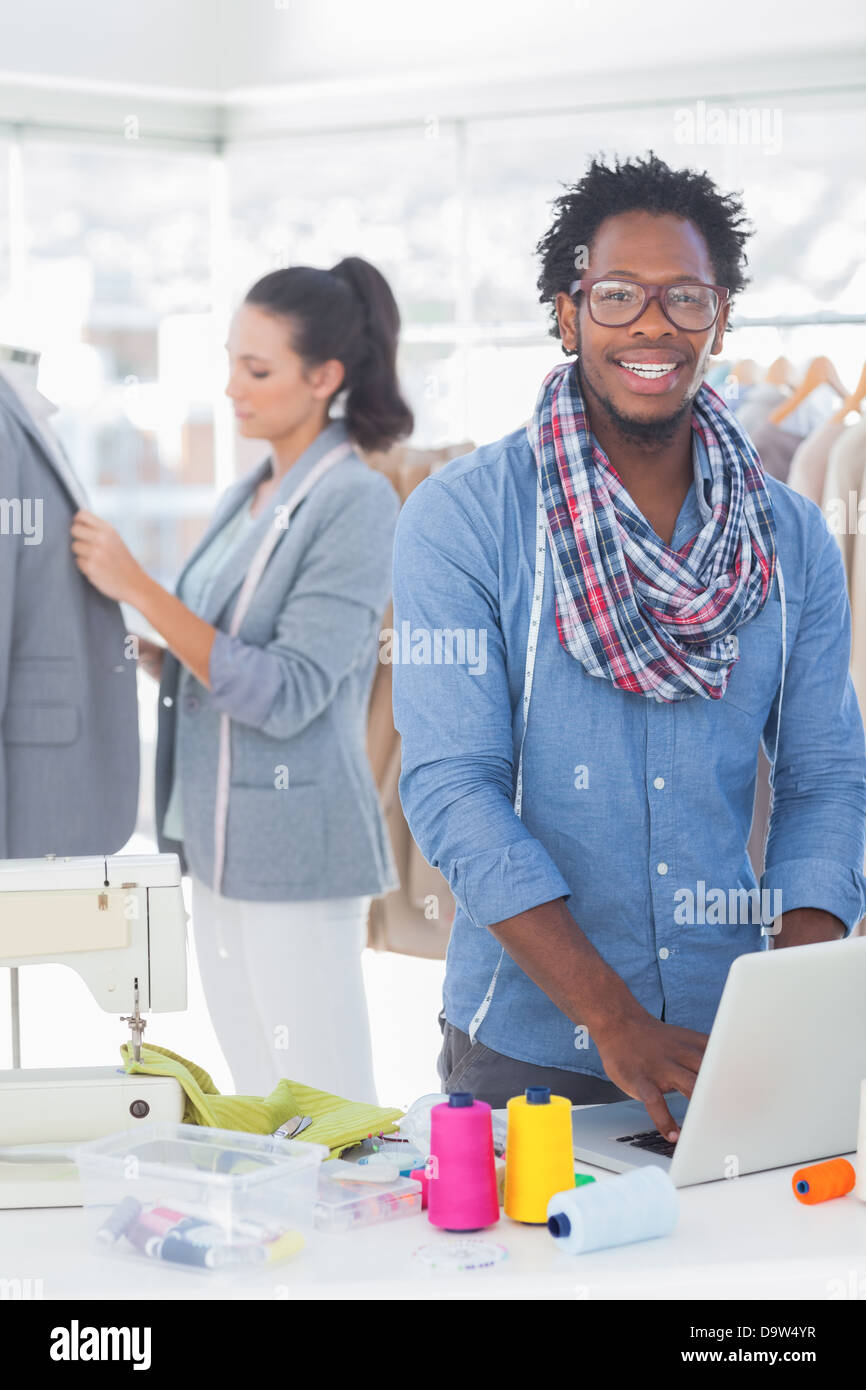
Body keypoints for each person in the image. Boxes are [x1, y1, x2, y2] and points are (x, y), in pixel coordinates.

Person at [392, 153, 866, 1132]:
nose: (651, 323)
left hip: (725, 1030)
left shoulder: (790, 538)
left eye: (681, 297)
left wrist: (792, 1001)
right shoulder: (464, 517)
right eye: (615, 295)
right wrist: (609, 1017)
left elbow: (823, 781)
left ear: (719, 319)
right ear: (566, 316)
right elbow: (450, 785)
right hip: (523, 1047)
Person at [71, 256, 411, 1102]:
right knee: (259, 1105)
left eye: (256, 370)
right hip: (216, 851)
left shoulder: (357, 502)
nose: (232, 389)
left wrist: (137, 585)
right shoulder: (251, 492)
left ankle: (353, 1235)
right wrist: (140, 647)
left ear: (324, 377)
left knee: (324, 1110)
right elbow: (217, 655)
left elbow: (286, 690)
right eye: (230, 362)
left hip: (295, 857)